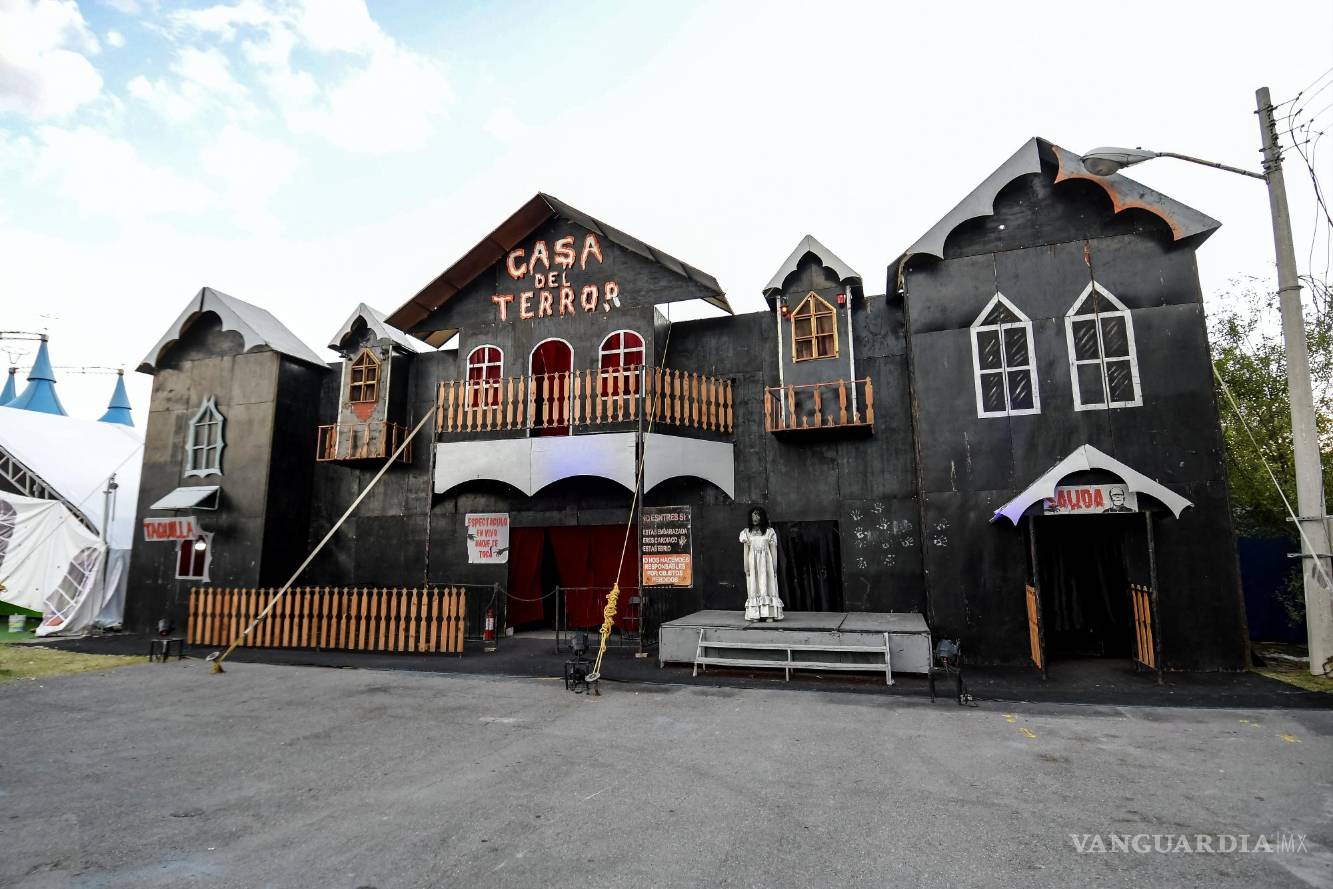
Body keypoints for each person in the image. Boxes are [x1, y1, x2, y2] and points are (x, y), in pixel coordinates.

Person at [739, 507, 783, 621]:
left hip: (766, 564)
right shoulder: (746, 533)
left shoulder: (769, 532)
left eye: (757, 515)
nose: (755, 518)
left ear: (762, 517)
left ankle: (769, 614)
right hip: (753, 565)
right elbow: (746, 551)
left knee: (768, 586)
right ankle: (755, 614)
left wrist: (774, 567)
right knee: (754, 587)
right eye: (753, 515)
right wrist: (746, 567)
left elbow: (773, 550)